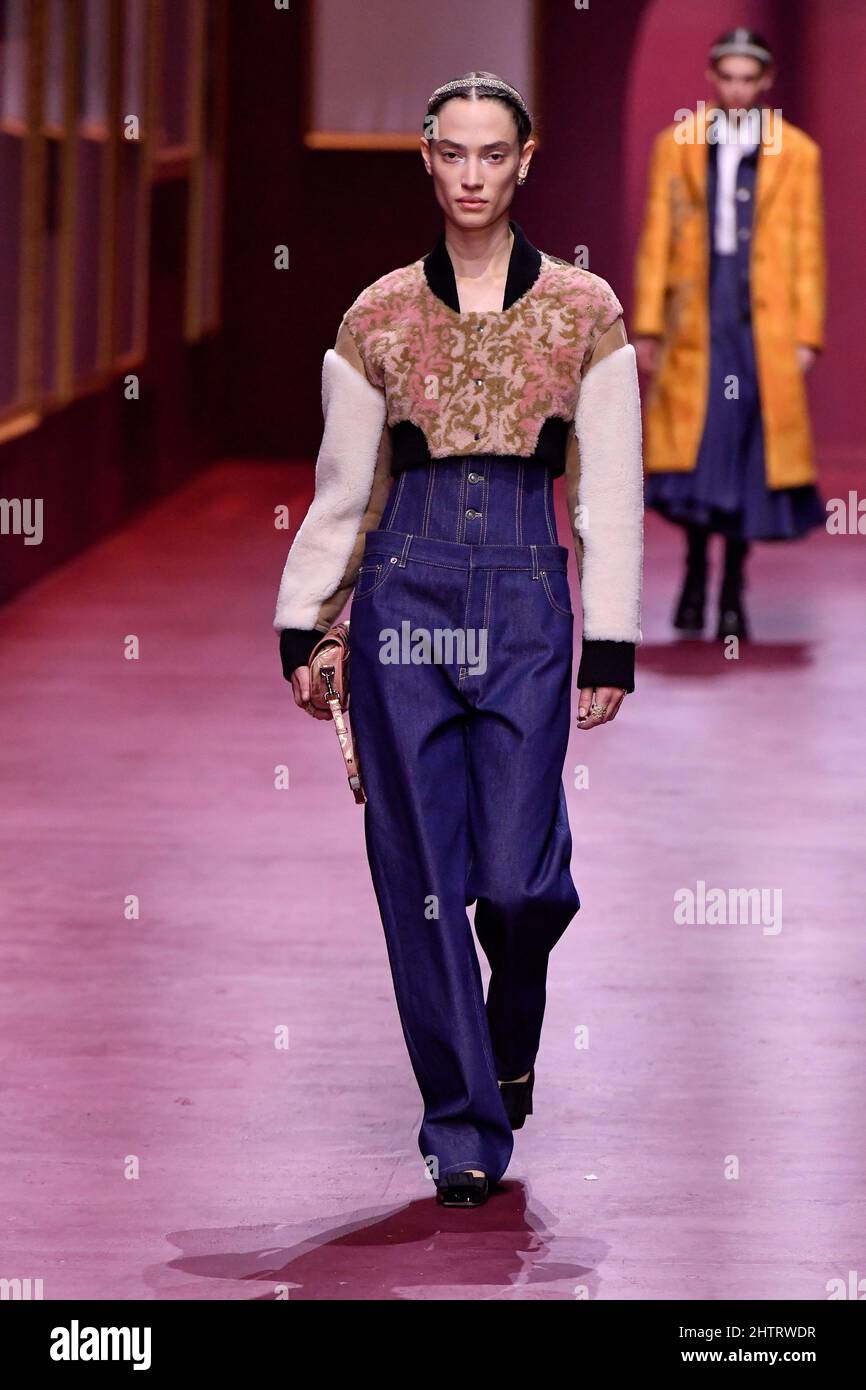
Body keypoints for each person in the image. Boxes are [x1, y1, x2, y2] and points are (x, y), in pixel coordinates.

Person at [273, 72, 644, 1207]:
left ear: (525, 161)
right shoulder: (375, 315)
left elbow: (610, 492)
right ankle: (464, 1122)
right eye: (454, 155)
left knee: (520, 884)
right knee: (422, 874)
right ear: (425, 161)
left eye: (494, 154)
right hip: (405, 591)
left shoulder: (584, 309)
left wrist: (612, 638)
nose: (473, 176)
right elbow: (345, 487)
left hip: (528, 595)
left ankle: (509, 1026)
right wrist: (304, 620)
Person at [633, 28, 826, 640]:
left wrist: (806, 333)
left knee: (748, 449)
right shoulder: (677, 146)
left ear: (765, 81)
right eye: (729, 77)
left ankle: (735, 588)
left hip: (760, 319)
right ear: (713, 79)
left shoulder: (797, 151)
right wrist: (648, 323)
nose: (738, 89)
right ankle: (694, 574)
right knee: (699, 444)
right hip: (700, 313)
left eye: (750, 78)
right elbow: (656, 236)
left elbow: (808, 246)